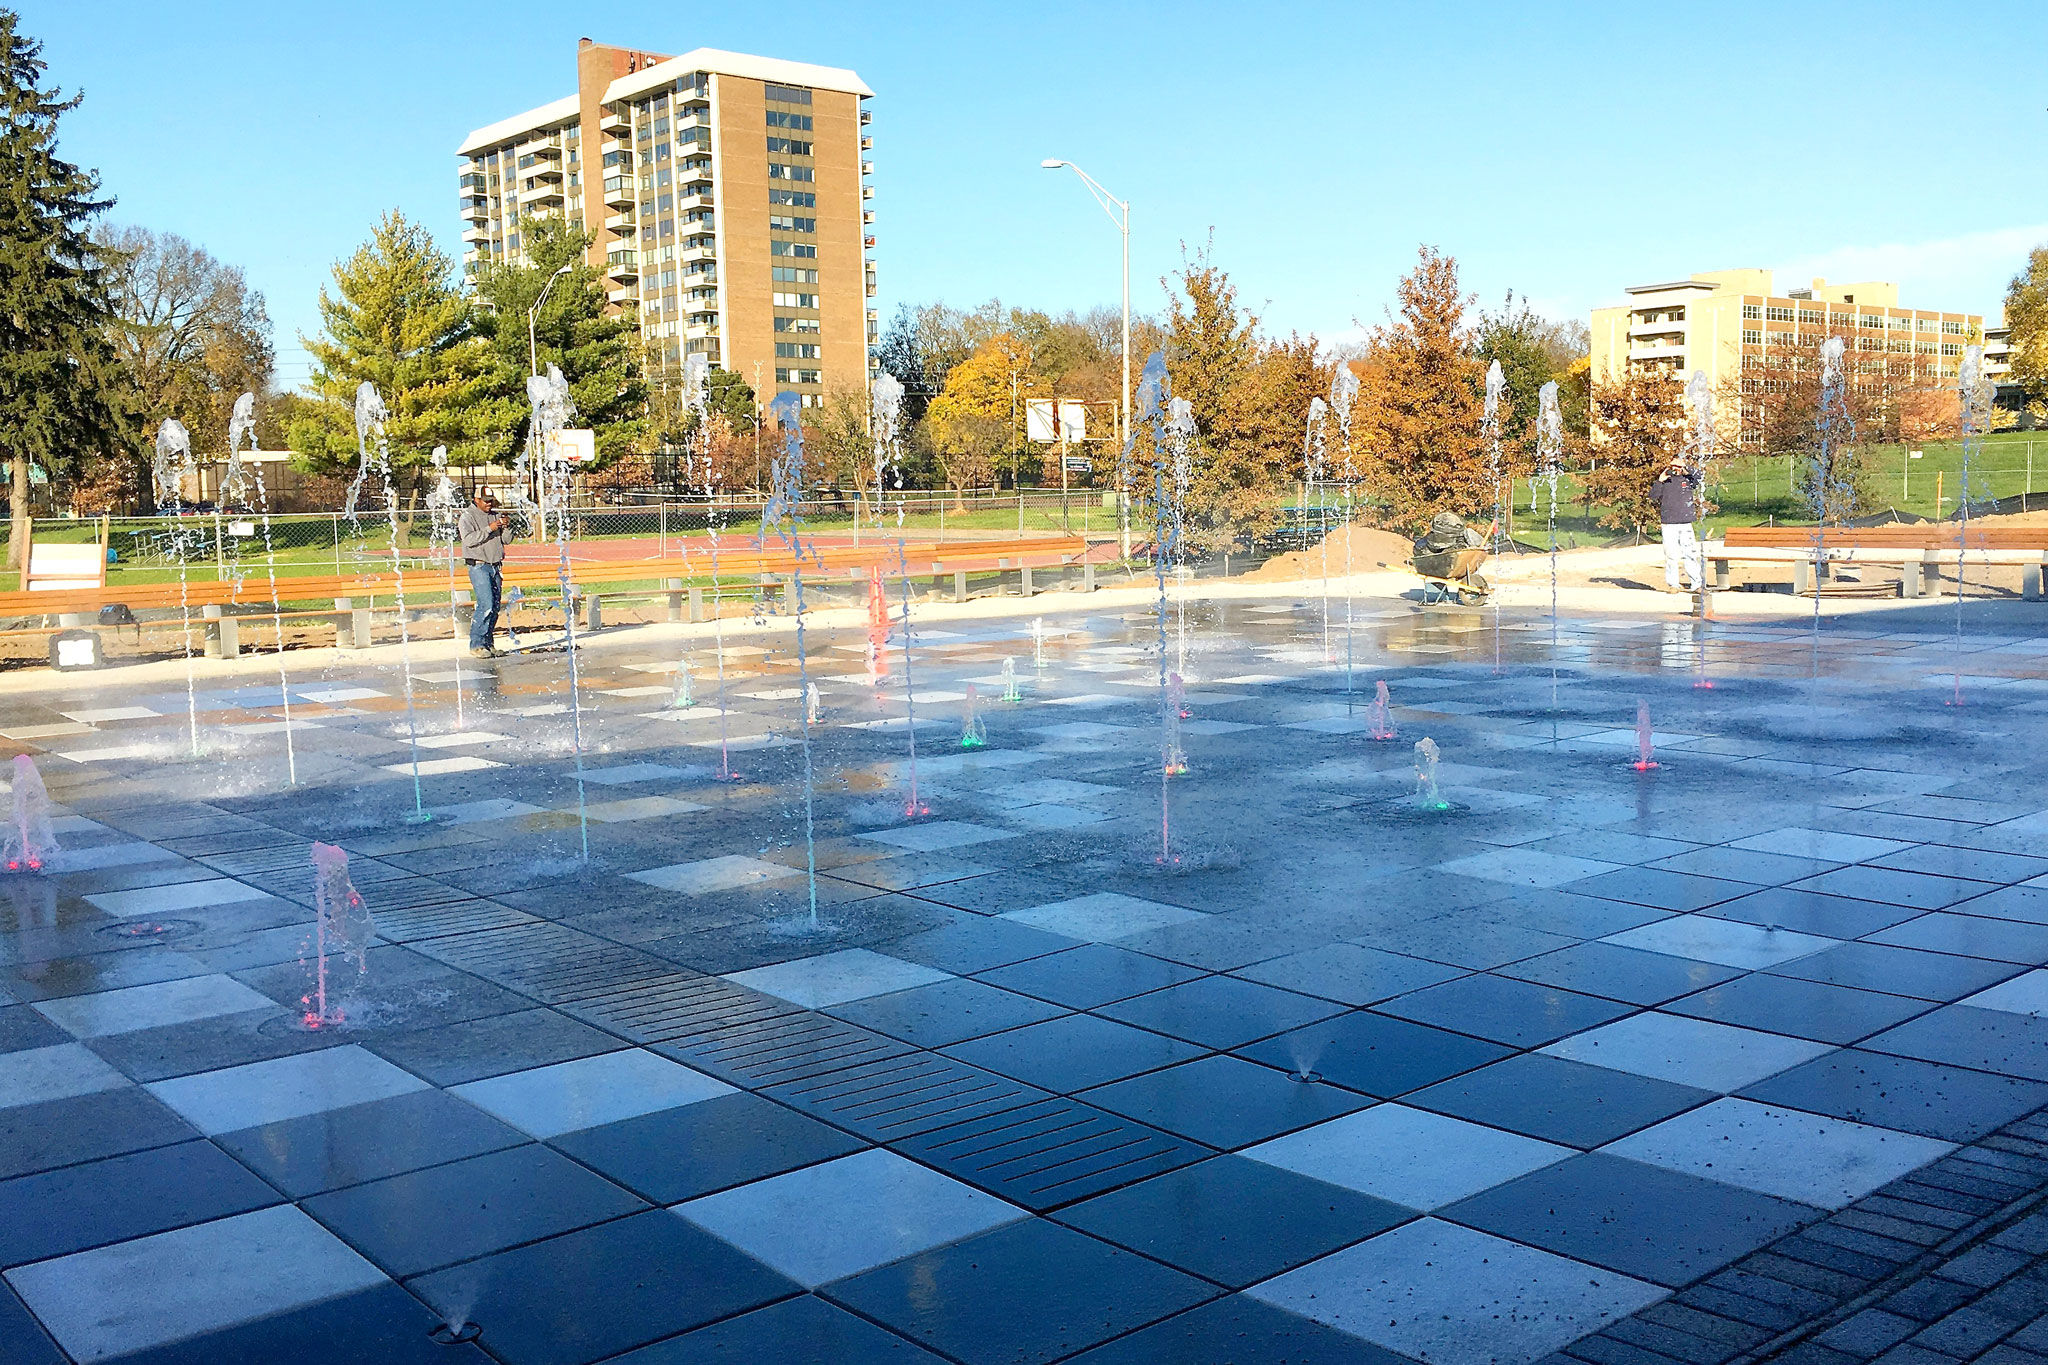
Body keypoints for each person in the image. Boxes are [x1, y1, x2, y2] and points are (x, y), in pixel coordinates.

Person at [457, 491, 514, 657]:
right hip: (479, 566)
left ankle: (489, 643)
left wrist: (507, 527)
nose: (489, 504)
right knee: (485, 604)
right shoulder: (467, 517)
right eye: (486, 501)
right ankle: (476, 644)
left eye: (491, 501)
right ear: (476, 500)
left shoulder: (494, 515)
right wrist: (489, 528)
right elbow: (469, 540)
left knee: (495, 606)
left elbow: (506, 540)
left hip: (495, 565)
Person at [1651, 457, 1703, 593]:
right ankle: (1673, 584)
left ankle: (1696, 584)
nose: (1676, 469)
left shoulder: (1688, 480)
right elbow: (1653, 496)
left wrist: (1686, 467)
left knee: (1690, 553)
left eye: (1678, 466)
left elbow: (1699, 476)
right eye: (1673, 466)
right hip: (1669, 523)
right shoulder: (1665, 481)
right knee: (1671, 555)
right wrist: (1660, 480)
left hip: (1685, 522)